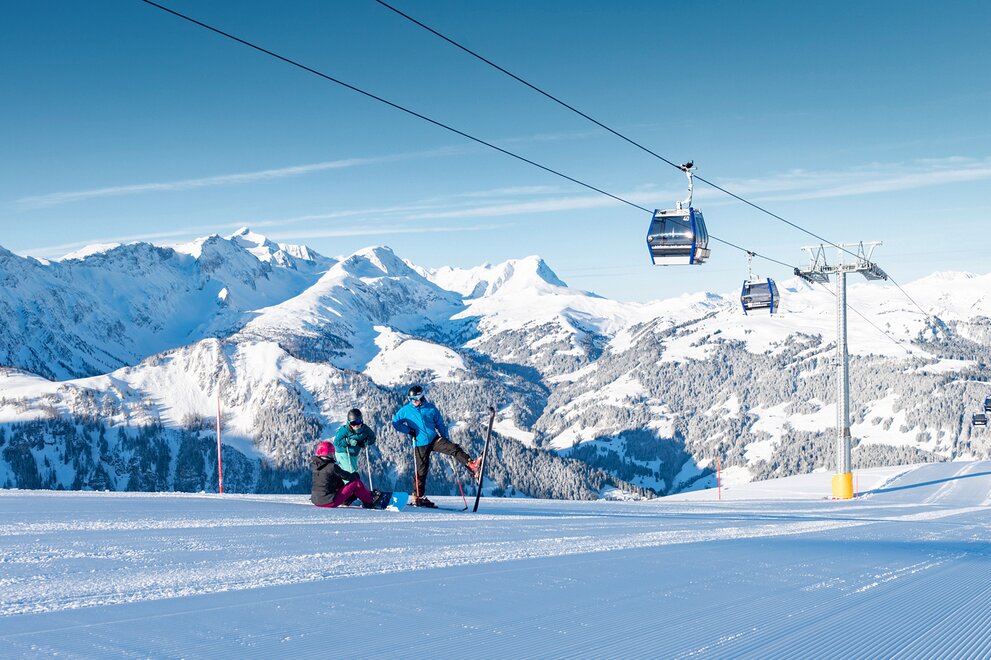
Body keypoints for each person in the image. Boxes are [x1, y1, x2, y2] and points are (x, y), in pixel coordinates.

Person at [391, 384, 480, 508]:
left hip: (434, 439)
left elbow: (440, 424)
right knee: (421, 471)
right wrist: (408, 430)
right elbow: (395, 423)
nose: (413, 402)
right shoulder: (406, 410)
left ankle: (472, 466)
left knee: (453, 448)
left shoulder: (431, 408)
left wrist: (445, 438)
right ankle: (418, 497)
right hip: (419, 443)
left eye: (415, 399)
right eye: (411, 400)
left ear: (421, 397)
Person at [310, 441, 380, 508]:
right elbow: (347, 476)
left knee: (336, 479)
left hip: (316, 501)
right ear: (328, 454)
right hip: (329, 502)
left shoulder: (315, 466)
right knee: (356, 483)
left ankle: (346, 500)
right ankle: (370, 500)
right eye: (331, 453)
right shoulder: (332, 467)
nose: (332, 455)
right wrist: (355, 475)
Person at [333, 408, 376, 481]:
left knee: (353, 471)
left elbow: (373, 438)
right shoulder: (345, 430)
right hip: (343, 452)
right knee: (350, 472)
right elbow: (336, 442)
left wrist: (366, 442)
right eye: (353, 423)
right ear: (349, 423)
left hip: (354, 454)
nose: (356, 425)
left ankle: (346, 488)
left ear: (361, 420)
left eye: (358, 421)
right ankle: (349, 490)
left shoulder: (365, 429)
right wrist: (348, 441)